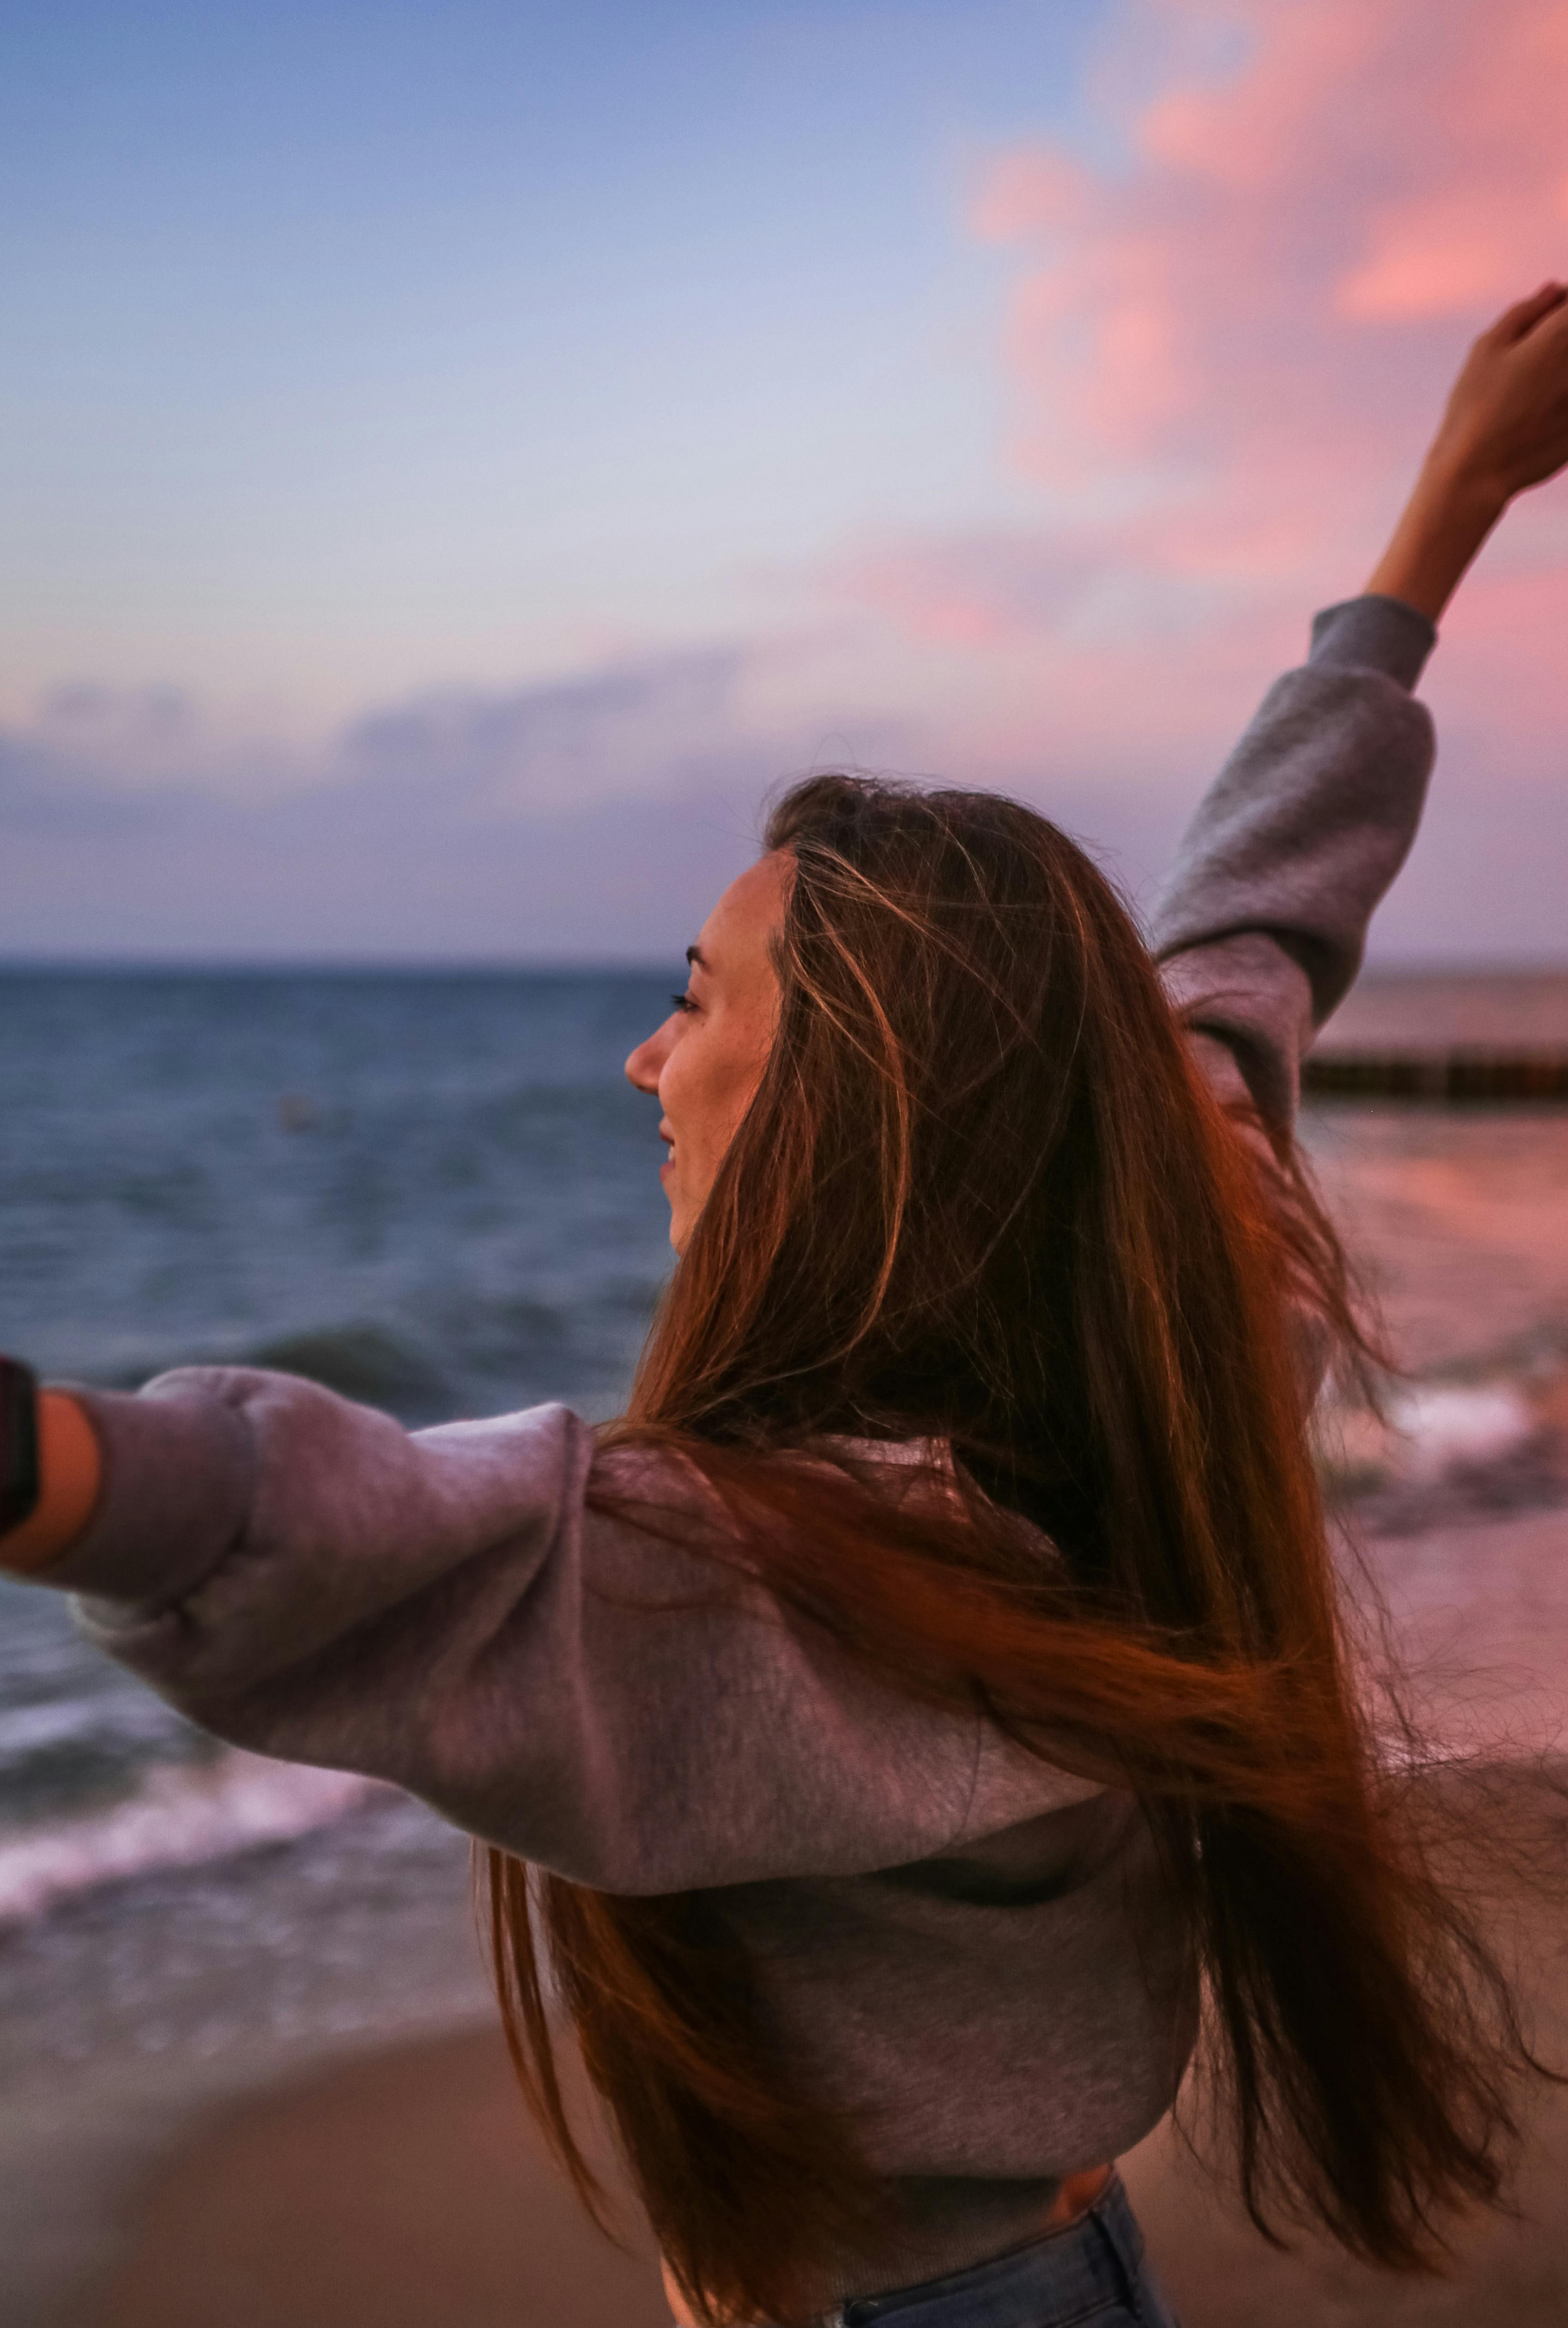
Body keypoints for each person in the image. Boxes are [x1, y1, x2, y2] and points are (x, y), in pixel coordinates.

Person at [4, 285, 1568, 2328]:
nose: (642, 1064)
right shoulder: (1176, 1345)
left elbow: (364, 1534)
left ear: (860, 1095)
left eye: (694, 997)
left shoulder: (800, 1586)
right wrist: (1443, 516)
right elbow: (1242, 940)